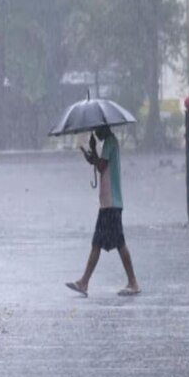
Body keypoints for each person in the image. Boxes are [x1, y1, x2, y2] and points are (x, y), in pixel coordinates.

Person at [66, 125, 140, 297]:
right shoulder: (109, 142)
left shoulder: (109, 142)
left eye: (98, 130)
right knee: (98, 243)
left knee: (118, 243)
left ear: (104, 128)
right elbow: (100, 164)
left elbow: (101, 166)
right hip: (108, 203)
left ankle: (133, 282)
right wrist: (91, 156)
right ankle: (84, 282)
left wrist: (93, 150)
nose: (96, 133)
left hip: (112, 202)